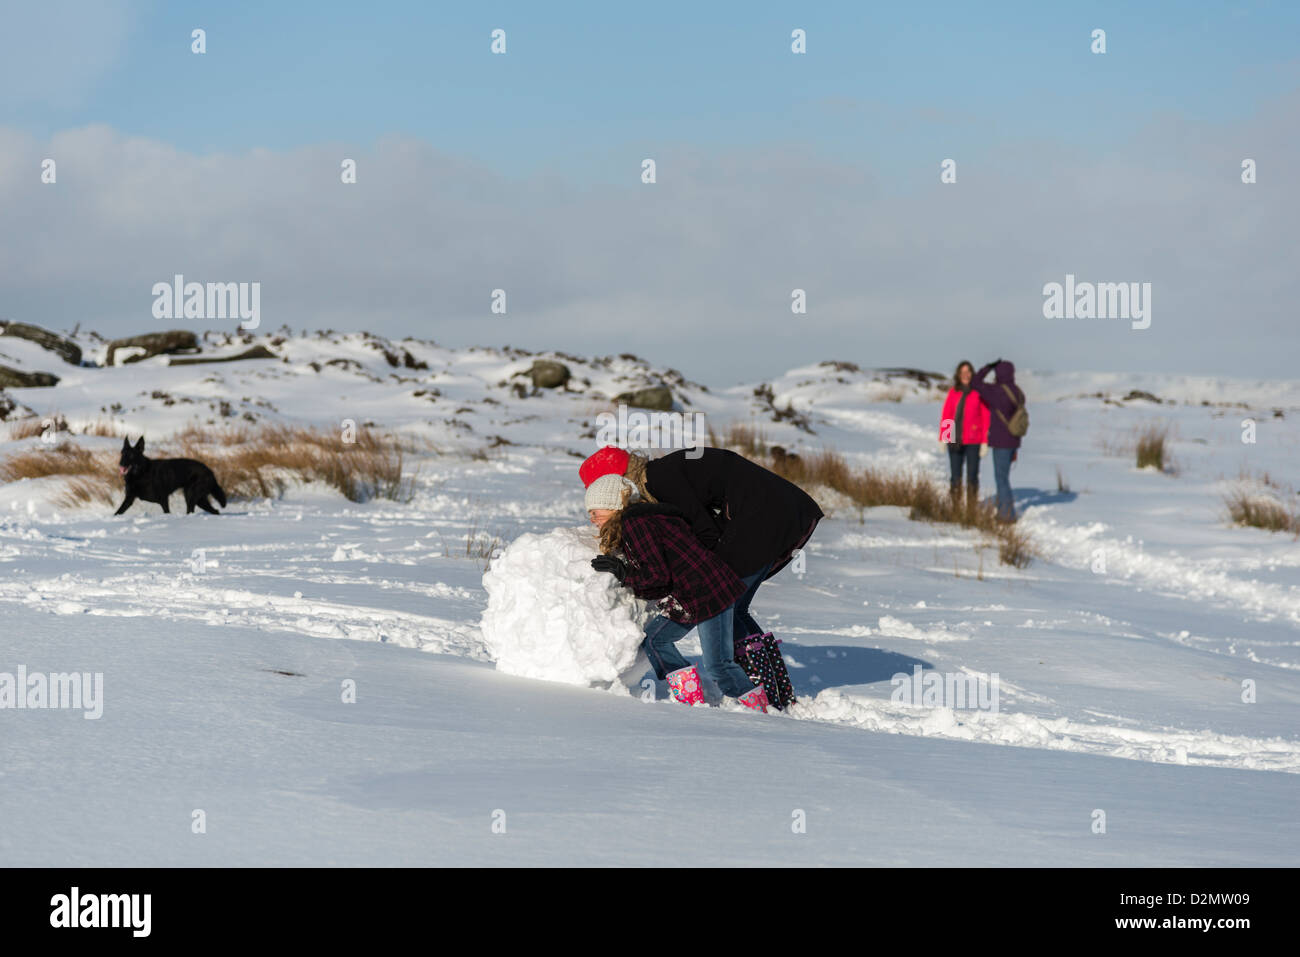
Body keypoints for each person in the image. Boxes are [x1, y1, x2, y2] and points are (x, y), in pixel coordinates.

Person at [579, 445, 822, 655]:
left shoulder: (661, 479)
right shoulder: (662, 473)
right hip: (787, 511)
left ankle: (756, 685)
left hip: (766, 515)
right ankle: (770, 685)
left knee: (723, 599)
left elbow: (705, 533)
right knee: (734, 606)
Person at [584, 472, 770, 713]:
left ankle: (759, 710)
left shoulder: (636, 524)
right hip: (699, 591)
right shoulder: (647, 517)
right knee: (656, 639)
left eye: (595, 511)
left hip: (706, 593)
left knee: (718, 665)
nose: (592, 519)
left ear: (612, 505)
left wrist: (623, 573)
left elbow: (656, 577)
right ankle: (690, 699)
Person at [972, 358, 1025, 522]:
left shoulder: (995, 391)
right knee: (1004, 477)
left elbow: (975, 382)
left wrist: (987, 366)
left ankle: (1006, 514)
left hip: (996, 442)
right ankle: (1005, 511)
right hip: (1013, 440)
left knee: (1000, 478)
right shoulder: (1017, 392)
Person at [938, 360, 990, 512]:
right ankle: (955, 509)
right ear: (958, 375)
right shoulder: (953, 392)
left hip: (974, 441)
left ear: (972, 374)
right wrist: (944, 437)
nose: (965, 375)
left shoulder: (978, 392)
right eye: (963, 372)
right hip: (954, 440)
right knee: (955, 477)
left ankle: (971, 510)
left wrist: (985, 441)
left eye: (968, 372)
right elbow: (947, 414)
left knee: (972, 477)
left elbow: (986, 417)